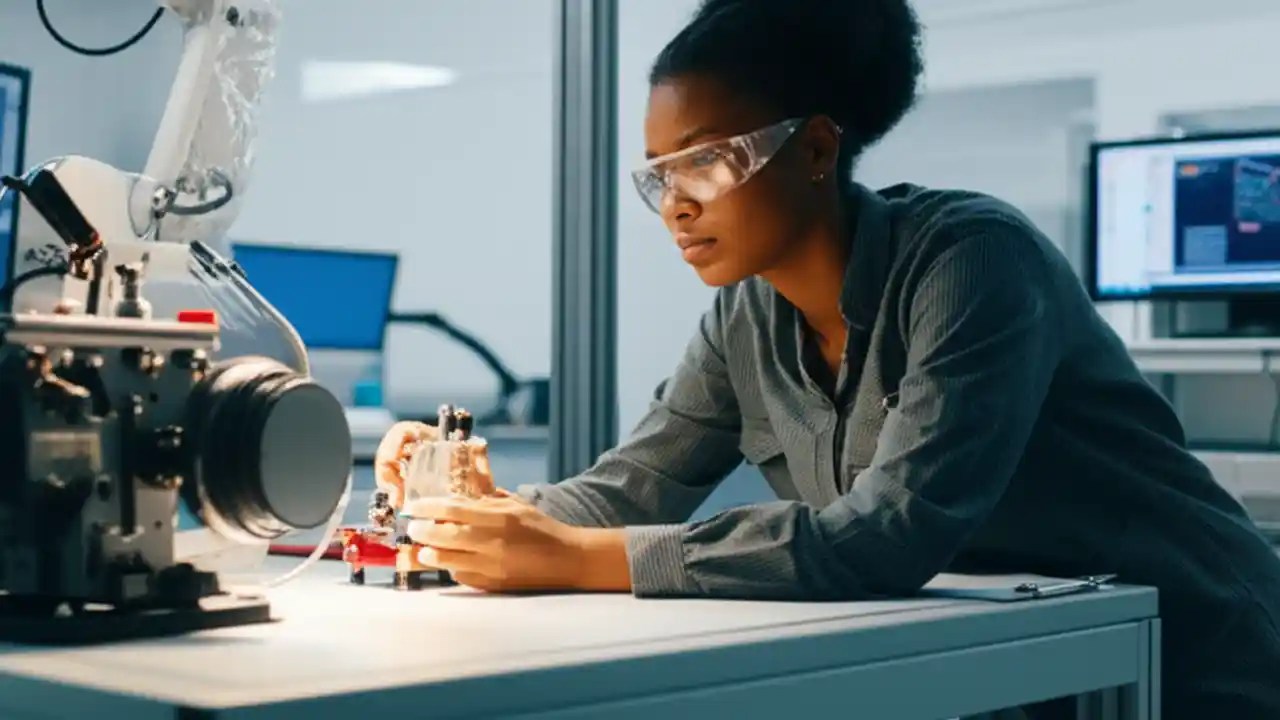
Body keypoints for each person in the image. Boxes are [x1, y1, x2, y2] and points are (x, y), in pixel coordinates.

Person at [376, 0, 1280, 715]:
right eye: (660, 173)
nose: (676, 204)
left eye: (707, 161)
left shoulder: (973, 261)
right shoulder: (744, 316)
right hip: (1029, 664)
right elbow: (627, 490)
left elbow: (885, 536)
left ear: (814, 148)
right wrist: (469, 505)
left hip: (1199, 653)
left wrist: (574, 557)